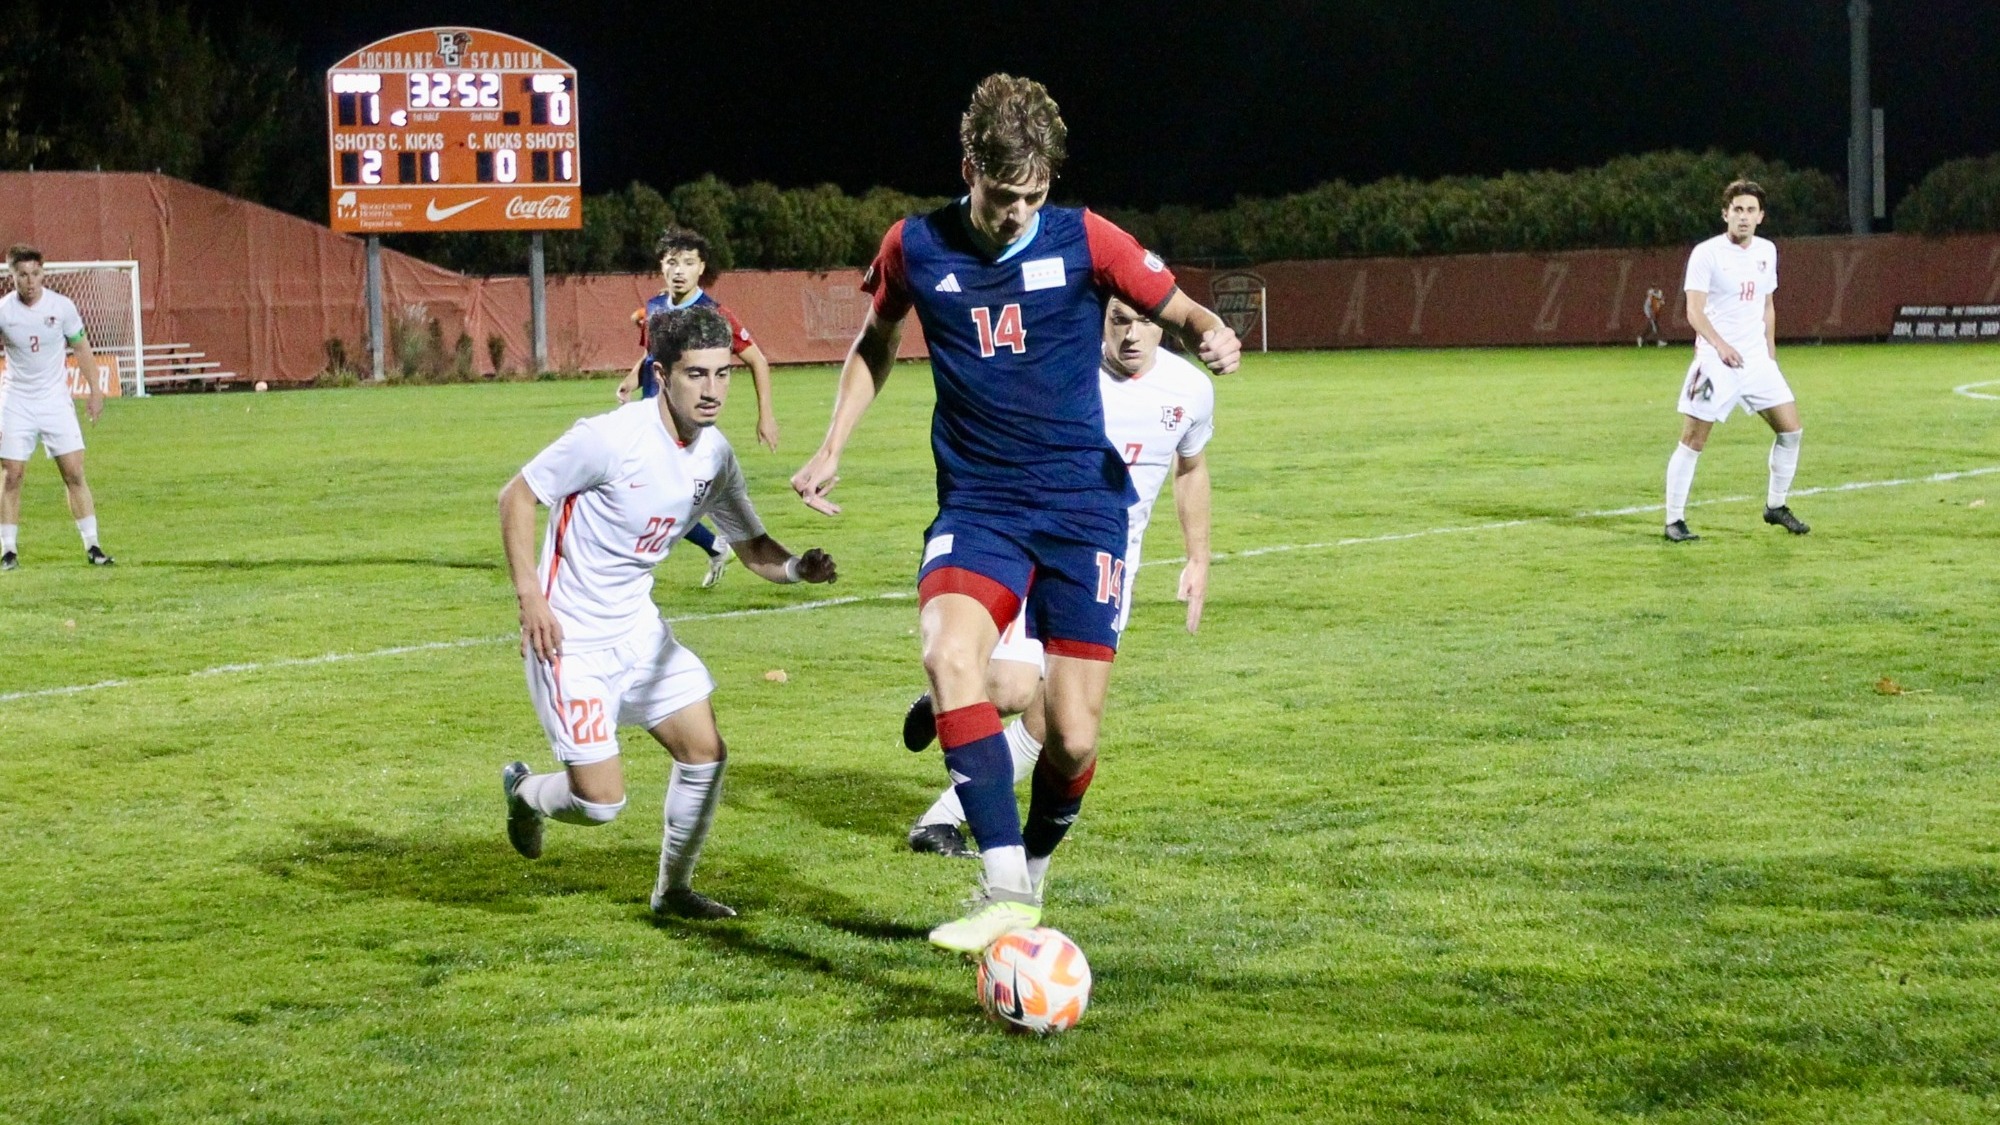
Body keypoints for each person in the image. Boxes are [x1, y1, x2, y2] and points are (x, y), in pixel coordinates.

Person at [790, 73, 1242, 953]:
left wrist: (1214, 334)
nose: (1017, 213)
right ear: (970, 170)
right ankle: (999, 882)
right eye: (1004, 197)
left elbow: (1181, 310)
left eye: (1034, 195)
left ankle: (1030, 875)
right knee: (945, 650)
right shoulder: (915, 246)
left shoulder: (1085, 238)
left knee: (1071, 736)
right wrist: (834, 441)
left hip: (1083, 507)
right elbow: (875, 342)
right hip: (981, 503)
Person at [499, 305, 836, 919]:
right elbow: (517, 495)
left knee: (705, 752)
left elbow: (750, 546)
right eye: (695, 375)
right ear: (661, 374)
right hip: (570, 641)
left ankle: (673, 892)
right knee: (600, 804)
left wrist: (795, 569)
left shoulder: (715, 456)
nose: (712, 391)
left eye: (723, 374)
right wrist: (530, 598)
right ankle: (524, 791)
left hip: (639, 634)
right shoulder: (609, 439)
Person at [902, 295, 1215, 858]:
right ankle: (948, 697)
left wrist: (1198, 556)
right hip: (1034, 546)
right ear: (1099, 319)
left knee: (1062, 727)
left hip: (1106, 565)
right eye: (1119, 321)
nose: (1132, 336)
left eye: (1146, 322)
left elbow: (1190, 468)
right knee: (1010, 688)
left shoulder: (1190, 389)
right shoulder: (1064, 371)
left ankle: (941, 820)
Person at [617, 227, 781, 588]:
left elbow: (758, 359)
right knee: (648, 497)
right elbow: (652, 353)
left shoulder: (713, 314)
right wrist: (633, 377)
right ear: (661, 265)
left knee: (647, 498)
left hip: (686, 427)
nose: (679, 270)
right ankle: (716, 546)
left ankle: (721, 546)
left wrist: (765, 415)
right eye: (672, 262)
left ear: (701, 267)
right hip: (651, 418)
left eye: (688, 263)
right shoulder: (656, 306)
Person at [1664, 179, 1808, 542]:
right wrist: (1720, 345)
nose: (1743, 217)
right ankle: (1673, 520)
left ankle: (1775, 506)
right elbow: (1694, 312)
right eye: (1737, 210)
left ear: (1761, 216)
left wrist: (1770, 354)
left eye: (1750, 210)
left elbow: (1767, 306)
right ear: (1725, 213)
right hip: (1716, 361)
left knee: (1791, 430)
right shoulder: (1706, 253)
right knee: (1693, 440)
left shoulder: (1767, 251)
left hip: (1757, 362)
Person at [0, 244, 111, 570]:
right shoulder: (4, 311)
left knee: (74, 472)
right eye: (23, 275)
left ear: (43, 273)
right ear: (12, 277)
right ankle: (8, 550)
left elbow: (81, 347)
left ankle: (93, 546)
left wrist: (95, 391)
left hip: (55, 400)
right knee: (12, 475)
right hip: (16, 399)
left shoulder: (62, 307)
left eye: (36, 274)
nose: (30, 281)